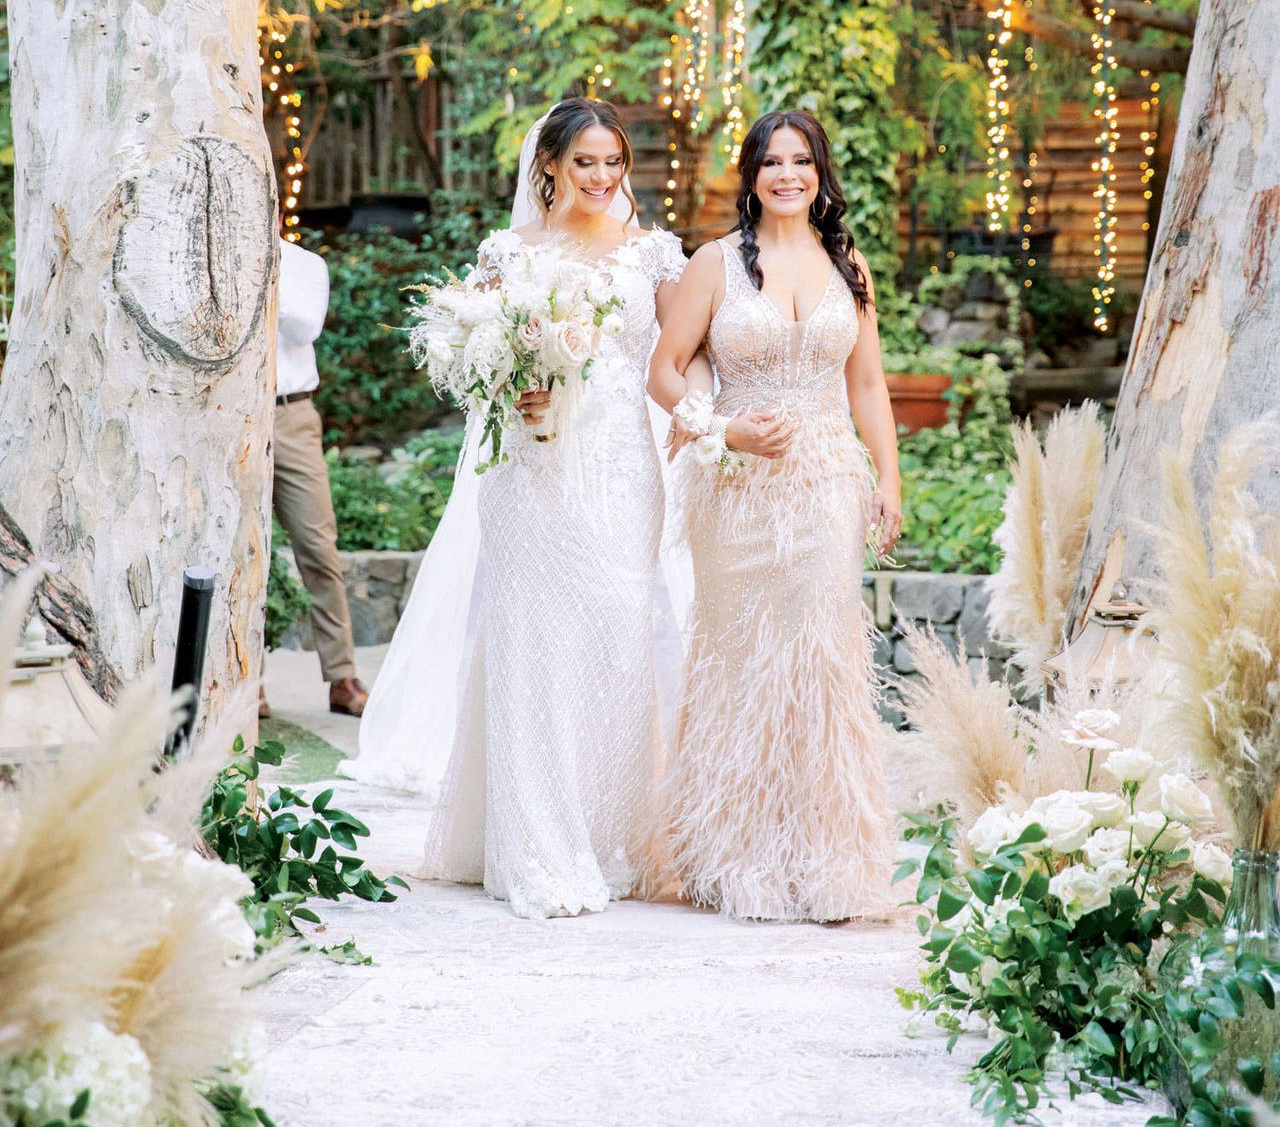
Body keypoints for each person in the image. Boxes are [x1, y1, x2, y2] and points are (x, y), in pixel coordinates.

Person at [345, 99, 701, 920]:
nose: (604, 178)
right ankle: (537, 844)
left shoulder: (654, 255)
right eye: (586, 163)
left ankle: (613, 836)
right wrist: (513, 385)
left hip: (620, 468)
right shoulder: (508, 254)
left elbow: (689, 353)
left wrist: (705, 418)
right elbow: (474, 357)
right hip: (531, 474)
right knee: (533, 639)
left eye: (615, 163)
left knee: (616, 641)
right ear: (549, 166)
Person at [646, 109, 900, 922]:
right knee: (740, 656)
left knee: (821, 659)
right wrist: (722, 429)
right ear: (751, 175)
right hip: (737, 488)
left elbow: (867, 386)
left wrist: (888, 481)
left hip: (825, 479)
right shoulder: (715, 264)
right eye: (771, 162)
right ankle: (733, 855)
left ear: (820, 173)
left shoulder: (847, 263)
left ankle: (828, 861)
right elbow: (664, 371)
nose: (787, 175)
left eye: (801, 161)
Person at [266, 234, 369, 719]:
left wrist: (259, 268)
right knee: (237, 552)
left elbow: (305, 327)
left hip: (290, 416)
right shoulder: (203, 251)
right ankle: (245, 683)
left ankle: (342, 678)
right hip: (222, 415)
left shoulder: (304, 264)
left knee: (318, 546)